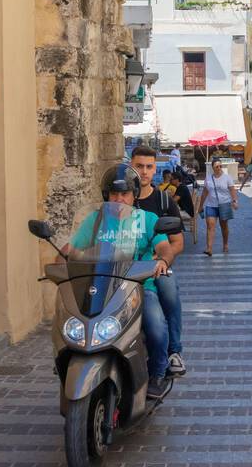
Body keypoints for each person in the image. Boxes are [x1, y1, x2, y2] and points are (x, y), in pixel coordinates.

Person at [68, 163, 173, 398]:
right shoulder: (95, 221)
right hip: (101, 287)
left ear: (134, 195)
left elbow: (165, 247)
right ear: (106, 196)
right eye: (114, 193)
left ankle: (158, 372)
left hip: (138, 286)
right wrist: (69, 255)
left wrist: (162, 262)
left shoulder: (147, 219)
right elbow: (71, 249)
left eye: (124, 193)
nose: (119, 199)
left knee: (156, 327)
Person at [130, 147, 187, 377]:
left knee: (168, 289)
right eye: (139, 166)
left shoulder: (163, 201)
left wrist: (163, 260)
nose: (144, 172)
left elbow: (177, 242)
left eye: (149, 167)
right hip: (121, 267)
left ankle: (174, 350)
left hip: (154, 267)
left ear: (155, 169)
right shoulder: (120, 196)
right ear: (131, 166)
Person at [199, 157, 238, 255]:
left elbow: (232, 189)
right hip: (211, 205)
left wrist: (234, 201)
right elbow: (204, 192)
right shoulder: (208, 178)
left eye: (220, 166)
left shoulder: (227, 177)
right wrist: (200, 205)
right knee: (210, 226)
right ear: (213, 167)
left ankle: (225, 244)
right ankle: (209, 248)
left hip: (224, 204)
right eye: (217, 166)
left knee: (223, 226)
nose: (219, 168)